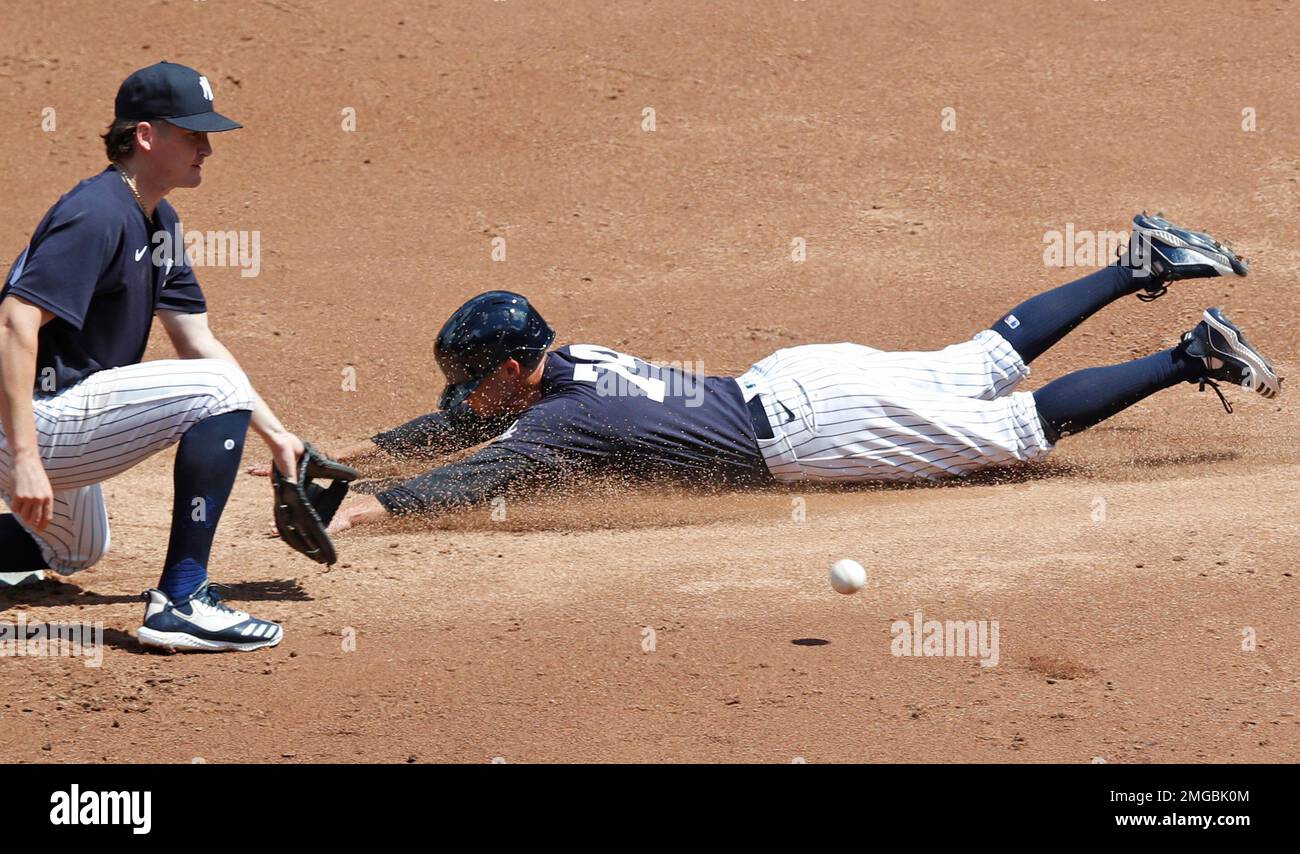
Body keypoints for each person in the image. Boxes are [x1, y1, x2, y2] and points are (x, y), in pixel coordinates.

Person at [286, 214, 1279, 533]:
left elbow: (469, 473)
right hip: (804, 376)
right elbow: (458, 429)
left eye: (473, 379)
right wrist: (343, 454)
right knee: (976, 362)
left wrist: (358, 509)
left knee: (1011, 435)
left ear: (511, 368)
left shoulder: (559, 426)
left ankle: (1189, 353)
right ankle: (1136, 260)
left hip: (810, 433)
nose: (466, 396)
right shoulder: (570, 363)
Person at [0, 61, 304, 652]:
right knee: (215, 389)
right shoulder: (99, 212)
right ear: (146, 135)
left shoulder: (157, 219)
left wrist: (279, 437)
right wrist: (29, 460)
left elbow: (198, 340)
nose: (207, 150)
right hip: (27, 420)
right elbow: (15, 320)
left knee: (73, 546)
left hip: (50, 411)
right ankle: (183, 601)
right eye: (193, 135)